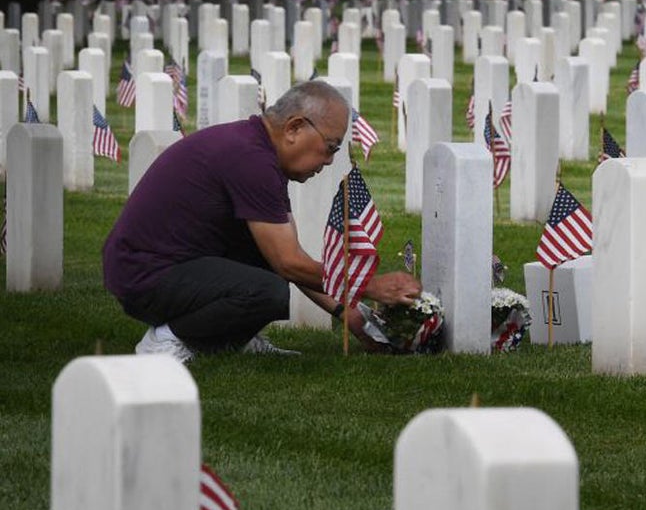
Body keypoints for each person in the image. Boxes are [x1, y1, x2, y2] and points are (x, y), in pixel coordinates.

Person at [102, 80, 419, 362]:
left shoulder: (259, 152)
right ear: (294, 128)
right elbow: (289, 264)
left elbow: (292, 257)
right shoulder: (251, 159)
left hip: (171, 264)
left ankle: (230, 339)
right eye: (330, 146)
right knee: (268, 291)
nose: (330, 160)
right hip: (144, 274)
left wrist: (349, 315)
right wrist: (370, 286)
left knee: (268, 269)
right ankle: (168, 340)